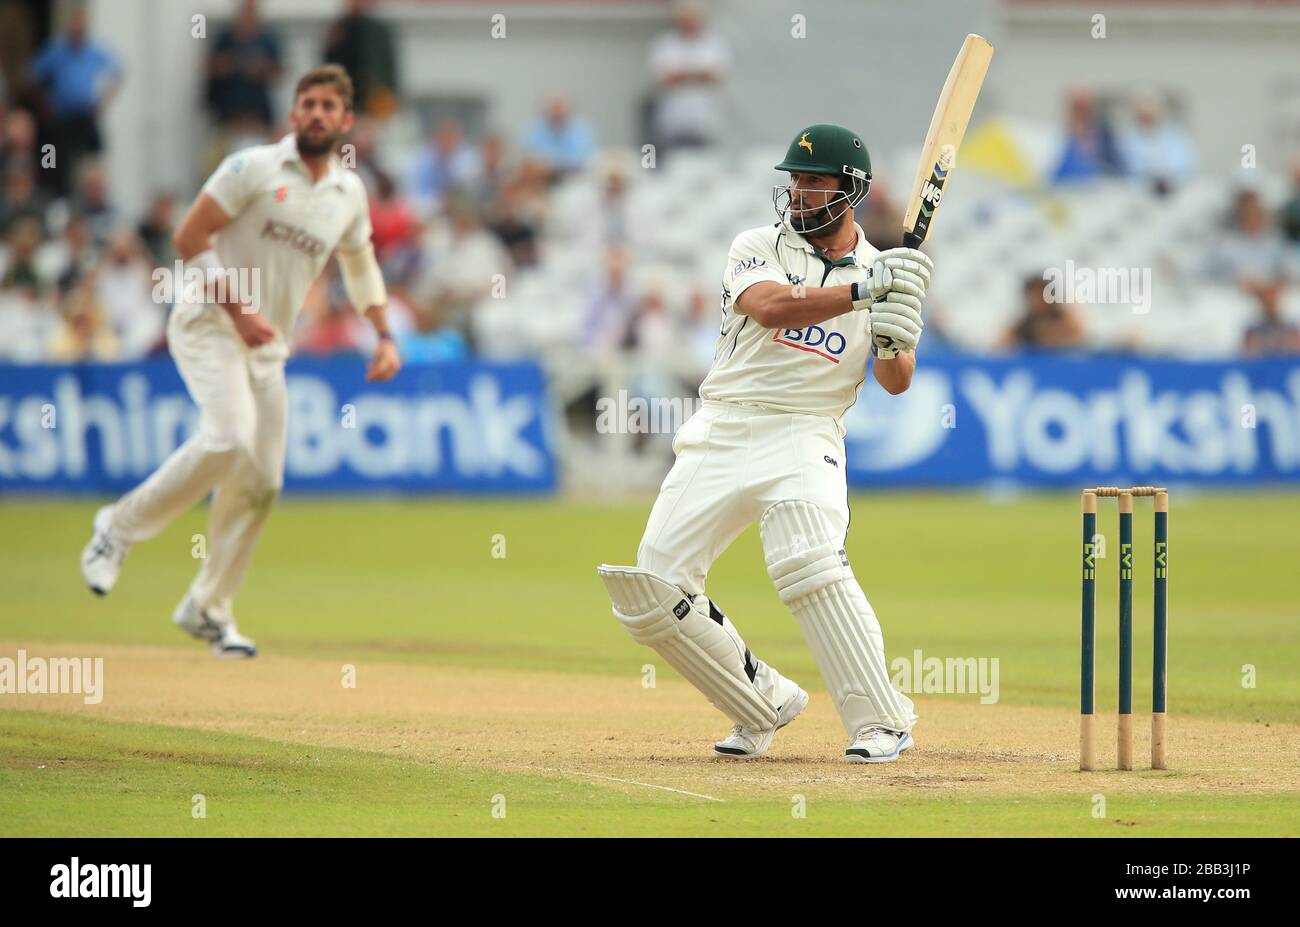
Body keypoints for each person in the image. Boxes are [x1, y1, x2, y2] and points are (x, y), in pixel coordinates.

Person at [597, 124, 930, 763]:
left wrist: (893, 325)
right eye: (795, 180)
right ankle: (762, 702)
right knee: (649, 592)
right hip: (724, 425)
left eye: (814, 181)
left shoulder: (882, 270)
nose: (799, 192)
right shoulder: (758, 245)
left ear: (851, 189)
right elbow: (771, 307)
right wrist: (866, 291)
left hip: (807, 432)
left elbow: (895, 380)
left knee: (808, 565)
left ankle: (881, 721)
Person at [79, 65, 401, 657]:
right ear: (293, 112)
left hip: (264, 344)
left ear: (346, 121)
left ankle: (207, 607)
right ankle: (115, 530)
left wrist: (383, 335)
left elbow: (359, 266)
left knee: (262, 482)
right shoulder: (251, 166)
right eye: (308, 103)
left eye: (330, 106)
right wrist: (242, 311)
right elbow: (188, 237)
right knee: (228, 438)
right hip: (209, 323)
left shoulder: (348, 192)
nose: (318, 114)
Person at [27, 6, 122, 196]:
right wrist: (45, 103)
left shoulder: (93, 50)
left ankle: (93, 196)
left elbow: (118, 71)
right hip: (63, 116)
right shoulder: (56, 50)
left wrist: (102, 102)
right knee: (57, 162)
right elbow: (33, 75)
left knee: (93, 160)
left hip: (85, 115)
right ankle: (60, 197)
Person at [648, 0, 731, 156]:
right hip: (673, 121)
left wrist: (682, 75)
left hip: (704, 120)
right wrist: (698, 74)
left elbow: (716, 76)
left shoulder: (714, 43)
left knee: (704, 164)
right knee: (673, 165)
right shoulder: (665, 44)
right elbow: (664, 79)